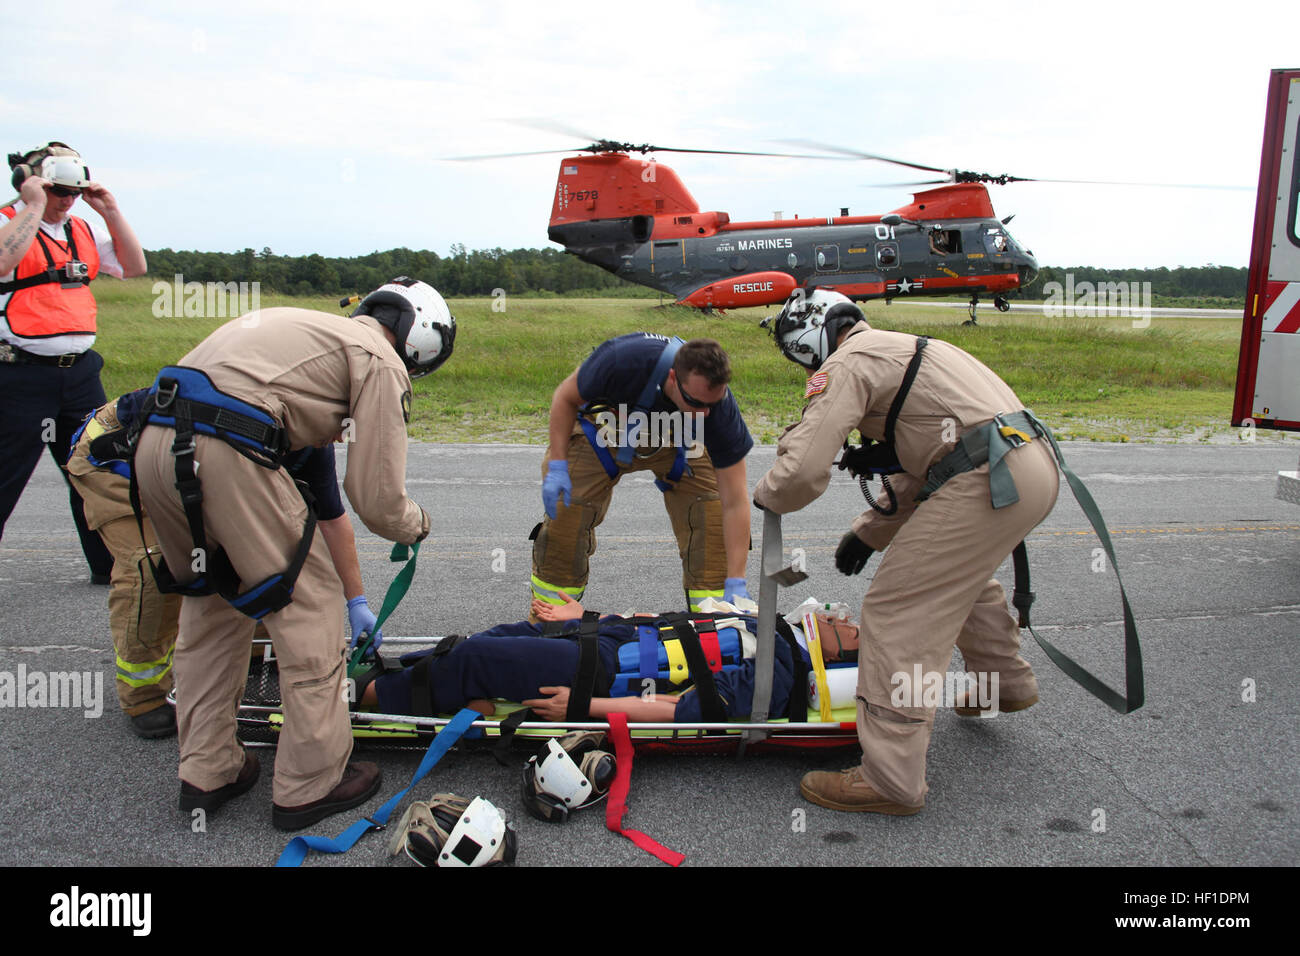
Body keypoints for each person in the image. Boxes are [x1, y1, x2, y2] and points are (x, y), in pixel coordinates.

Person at [132, 277, 455, 831]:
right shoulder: (379, 358)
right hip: (226, 447)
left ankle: (207, 773)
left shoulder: (306, 331)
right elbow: (376, 499)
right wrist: (416, 525)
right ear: (419, 338)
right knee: (309, 608)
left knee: (213, 607)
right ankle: (310, 784)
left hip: (157, 448)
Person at [753, 289, 1060, 815]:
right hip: (1028, 467)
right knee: (955, 579)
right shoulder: (905, 347)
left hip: (985, 477)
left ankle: (890, 779)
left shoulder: (848, 362)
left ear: (808, 337)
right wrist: (871, 530)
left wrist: (766, 493)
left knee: (899, 611)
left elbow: (803, 469)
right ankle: (1003, 682)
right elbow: (934, 460)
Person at [65, 388, 387, 739]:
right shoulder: (241, 417)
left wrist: (357, 602)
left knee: (260, 547)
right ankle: (144, 694)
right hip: (117, 462)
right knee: (154, 569)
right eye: (336, 427)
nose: (338, 438)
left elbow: (331, 520)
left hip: (189, 468)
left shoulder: (311, 441)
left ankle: (257, 645)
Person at [0, 142, 146, 582]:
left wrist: (110, 210)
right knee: (6, 477)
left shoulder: (81, 228)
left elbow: (134, 266)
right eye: (59, 190)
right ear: (34, 182)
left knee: (95, 470)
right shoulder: (10, 221)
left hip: (79, 372)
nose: (67, 200)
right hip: (19, 373)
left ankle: (108, 567)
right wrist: (34, 204)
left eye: (74, 192)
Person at [532, 334, 753, 616]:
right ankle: (550, 626)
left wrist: (736, 579)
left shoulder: (715, 410)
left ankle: (717, 631)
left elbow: (734, 501)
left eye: (711, 404)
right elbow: (564, 397)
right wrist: (558, 467)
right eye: (696, 403)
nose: (704, 413)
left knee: (712, 519)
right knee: (566, 518)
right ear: (673, 379)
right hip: (604, 431)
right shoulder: (621, 360)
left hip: (680, 441)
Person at [358, 593, 829, 725]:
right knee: (492, 637)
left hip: (606, 676)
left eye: (845, 628)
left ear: (839, 654)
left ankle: (365, 695)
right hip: (610, 636)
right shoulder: (772, 625)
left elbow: (674, 710)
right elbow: (672, 622)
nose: (838, 616)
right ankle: (396, 668)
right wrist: (588, 615)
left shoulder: (775, 674)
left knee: (480, 656)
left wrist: (582, 707)